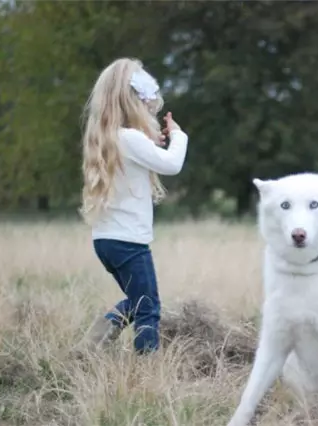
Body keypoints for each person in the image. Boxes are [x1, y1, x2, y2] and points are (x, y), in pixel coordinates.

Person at [79, 58, 189, 354]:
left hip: (106, 241)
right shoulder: (129, 139)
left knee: (139, 298)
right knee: (148, 309)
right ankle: (146, 371)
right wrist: (178, 135)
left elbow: (149, 156)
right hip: (130, 243)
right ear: (134, 104)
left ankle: (95, 341)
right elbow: (172, 164)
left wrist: (154, 142)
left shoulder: (110, 139)